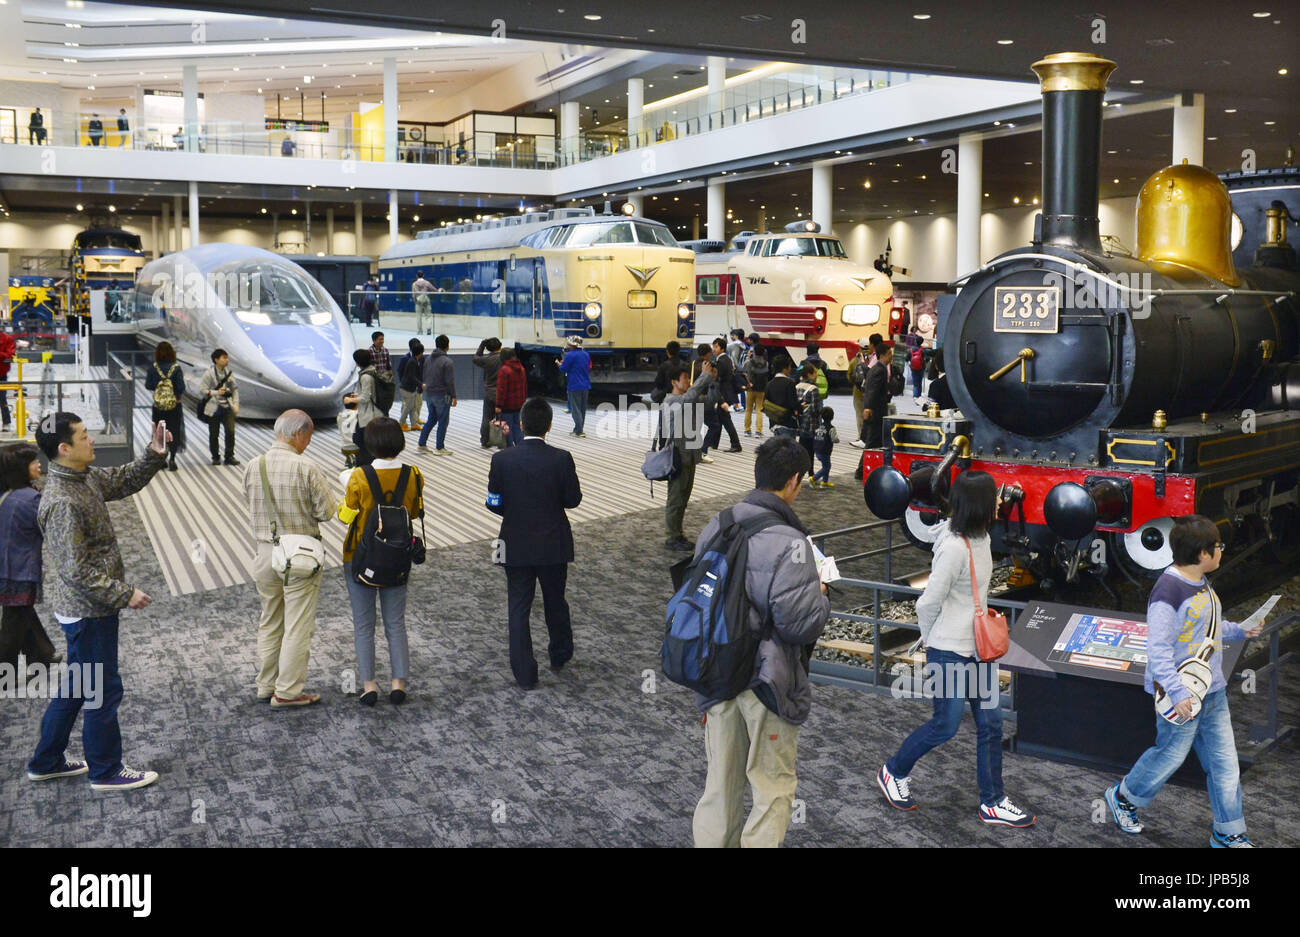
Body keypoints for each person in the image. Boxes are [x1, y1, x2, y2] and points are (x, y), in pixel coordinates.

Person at [692, 435, 831, 848]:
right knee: (771, 787)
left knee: (720, 785)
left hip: (716, 673)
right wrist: (821, 598)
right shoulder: (791, 543)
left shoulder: (717, 523)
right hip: (766, 681)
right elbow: (797, 625)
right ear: (793, 482)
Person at [877, 470, 1035, 828]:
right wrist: (933, 639)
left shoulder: (979, 535)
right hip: (949, 650)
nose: (999, 502)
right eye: (994, 497)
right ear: (979, 505)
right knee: (944, 726)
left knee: (991, 724)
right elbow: (926, 603)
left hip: (977, 649)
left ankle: (992, 801)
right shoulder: (952, 547)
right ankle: (893, 771)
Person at [26, 413, 170, 791]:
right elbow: (78, 571)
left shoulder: (82, 477)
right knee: (102, 689)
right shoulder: (62, 501)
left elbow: (121, 480)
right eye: (85, 436)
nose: (92, 441)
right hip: (87, 610)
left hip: (87, 606)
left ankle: (47, 760)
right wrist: (125, 594)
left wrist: (154, 455)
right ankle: (105, 770)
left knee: (78, 685)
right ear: (64, 448)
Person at [1104, 515, 1265, 848]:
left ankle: (1228, 831)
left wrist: (1239, 630)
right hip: (1181, 695)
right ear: (1202, 554)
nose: (1221, 550)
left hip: (1212, 690)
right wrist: (1178, 694)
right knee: (1169, 756)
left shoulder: (1200, 581)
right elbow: (1159, 652)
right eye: (1217, 546)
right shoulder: (1167, 592)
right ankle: (1123, 798)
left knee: (1225, 763)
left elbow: (1206, 627)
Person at [243, 410, 338, 708]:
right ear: (298, 434)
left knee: (270, 621)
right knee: (298, 624)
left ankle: (265, 684)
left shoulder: (252, 466)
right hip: (299, 555)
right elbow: (327, 512)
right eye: (308, 438)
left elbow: (248, 501)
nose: (307, 444)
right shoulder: (307, 467)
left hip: (264, 552)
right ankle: (287, 691)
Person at [486, 397, 583, 689]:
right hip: (554, 543)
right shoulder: (561, 457)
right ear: (549, 426)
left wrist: (514, 510)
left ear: (521, 423)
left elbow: (493, 503)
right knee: (556, 600)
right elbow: (573, 500)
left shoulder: (501, 459)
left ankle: (524, 673)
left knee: (518, 605)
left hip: (514, 542)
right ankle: (560, 653)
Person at [337, 417, 424, 707]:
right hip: (398, 556)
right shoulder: (414, 474)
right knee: (395, 623)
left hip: (360, 558)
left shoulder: (358, 477)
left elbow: (345, 516)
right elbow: (413, 512)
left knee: (364, 625)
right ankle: (399, 683)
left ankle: (369, 685)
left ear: (369, 444)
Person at [0, 443, 59, 669]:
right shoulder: (30, 499)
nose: (38, 465)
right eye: (33, 462)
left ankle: (41, 653)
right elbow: (52, 529)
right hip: (19, 569)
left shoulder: (8, 493)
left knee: (20, 611)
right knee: (13, 623)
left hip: (7, 566)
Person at [661, 358, 716, 551]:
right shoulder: (672, 401)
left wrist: (711, 382)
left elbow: (707, 401)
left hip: (690, 456)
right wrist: (704, 377)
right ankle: (671, 536)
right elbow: (690, 397)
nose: (688, 382)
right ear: (674, 382)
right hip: (676, 457)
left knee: (683, 498)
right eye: (685, 378)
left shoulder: (687, 399)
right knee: (676, 498)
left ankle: (678, 533)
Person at [143, 341, 186, 471]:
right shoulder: (176, 368)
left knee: (159, 431)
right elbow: (181, 387)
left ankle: (162, 460)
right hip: (174, 406)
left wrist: (159, 388)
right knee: (174, 430)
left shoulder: (153, 367)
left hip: (158, 406)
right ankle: (172, 458)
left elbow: (148, 385)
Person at [199, 348, 239, 466]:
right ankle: (215, 457)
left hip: (227, 407)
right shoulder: (209, 373)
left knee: (230, 432)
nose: (227, 360)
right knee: (214, 433)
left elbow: (235, 390)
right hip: (214, 408)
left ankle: (229, 456)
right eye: (224, 358)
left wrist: (236, 403)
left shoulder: (229, 374)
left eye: (227, 358)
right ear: (216, 360)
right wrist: (217, 392)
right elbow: (202, 390)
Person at [417, 334, 457, 454]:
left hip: (429, 394)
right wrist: (454, 396)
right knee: (443, 421)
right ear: (447, 346)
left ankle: (421, 444)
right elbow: (449, 381)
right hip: (442, 394)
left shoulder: (428, 359)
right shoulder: (447, 362)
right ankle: (439, 447)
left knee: (432, 419)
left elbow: (424, 376)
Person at [343, 349, 381, 467]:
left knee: (360, 439)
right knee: (366, 438)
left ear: (358, 362)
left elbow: (365, 397)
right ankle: (368, 461)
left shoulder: (366, 376)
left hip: (368, 413)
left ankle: (364, 463)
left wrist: (351, 400)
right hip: (373, 411)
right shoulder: (372, 371)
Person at [706, 337, 742, 454]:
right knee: (720, 419)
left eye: (716, 346)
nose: (713, 349)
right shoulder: (727, 359)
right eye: (713, 346)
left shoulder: (721, 361)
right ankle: (714, 443)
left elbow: (717, 379)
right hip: (727, 392)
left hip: (723, 393)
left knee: (725, 420)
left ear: (722, 348)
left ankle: (736, 444)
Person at [859, 344, 894, 450]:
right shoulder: (880, 370)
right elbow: (872, 390)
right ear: (882, 355)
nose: (891, 357)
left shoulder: (875, 368)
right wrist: (868, 407)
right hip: (876, 411)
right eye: (889, 354)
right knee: (873, 441)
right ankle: (862, 466)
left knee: (875, 441)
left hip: (875, 410)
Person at [493, 347, 528, 447]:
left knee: (506, 427)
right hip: (518, 403)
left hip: (507, 404)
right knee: (517, 426)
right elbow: (524, 386)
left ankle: (509, 447)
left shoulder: (504, 370)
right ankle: (520, 446)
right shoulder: (521, 368)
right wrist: (523, 400)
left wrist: (499, 405)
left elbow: (501, 390)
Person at [558, 337, 592, 437]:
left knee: (575, 408)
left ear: (572, 345)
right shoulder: (586, 354)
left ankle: (579, 431)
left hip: (574, 384)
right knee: (582, 408)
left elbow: (563, 369)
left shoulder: (570, 355)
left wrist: (559, 364)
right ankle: (578, 428)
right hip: (585, 384)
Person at [472, 337, 502, 448]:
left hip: (489, 392)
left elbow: (475, 358)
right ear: (500, 346)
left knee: (486, 418)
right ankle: (502, 441)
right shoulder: (505, 359)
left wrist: (482, 345)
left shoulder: (487, 360)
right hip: (502, 393)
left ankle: (485, 441)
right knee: (502, 418)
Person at [763, 356, 799, 439]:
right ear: (784, 368)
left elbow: (765, 403)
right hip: (787, 423)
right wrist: (800, 407)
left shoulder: (769, 384)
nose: (790, 369)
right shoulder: (790, 383)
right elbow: (793, 403)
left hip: (774, 423)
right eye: (789, 366)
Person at [794, 362, 821, 469]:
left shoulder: (796, 386)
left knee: (801, 446)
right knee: (810, 450)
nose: (816, 375)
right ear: (809, 374)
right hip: (810, 424)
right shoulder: (813, 389)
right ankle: (810, 471)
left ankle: (798, 469)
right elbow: (815, 409)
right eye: (815, 373)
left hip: (799, 422)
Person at [395, 339, 425, 431]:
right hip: (407, 388)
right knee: (408, 407)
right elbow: (411, 376)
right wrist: (421, 384)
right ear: (420, 352)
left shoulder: (414, 360)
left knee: (413, 406)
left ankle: (414, 423)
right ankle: (401, 423)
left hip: (410, 387)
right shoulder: (412, 361)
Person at [742, 343, 769, 437]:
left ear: (755, 352)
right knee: (759, 410)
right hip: (761, 389)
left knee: (748, 409)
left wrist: (748, 383)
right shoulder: (766, 363)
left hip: (750, 388)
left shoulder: (749, 362)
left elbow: (744, 373)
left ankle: (747, 430)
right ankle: (758, 431)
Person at [849, 337, 872, 441]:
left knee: (860, 415)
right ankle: (870, 436)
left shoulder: (855, 361)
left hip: (858, 393)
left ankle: (861, 437)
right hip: (871, 393)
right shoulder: (874, 358)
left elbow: (849, 375)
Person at [810, 406, 839, 489]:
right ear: (832, 417)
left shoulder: (818, 426)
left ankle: (824, 482)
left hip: (817, 449)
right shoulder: (831, 428)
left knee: (825, 465)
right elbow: (834, 439)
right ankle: (813, 478)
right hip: (825, 450)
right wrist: (837, 440)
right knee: (827, 467)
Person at [368, 331, 395, 417]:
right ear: (374, 340)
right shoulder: (369, 351)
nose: (382, 341)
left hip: (385, 380)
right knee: (377, 399)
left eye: (383, 339)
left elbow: (388, 365)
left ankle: (385, 416)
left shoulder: (385, 350)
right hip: (375, 379)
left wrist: (391, 378)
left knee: (386, 399)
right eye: (380, 339)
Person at [905, 324, 926, 400]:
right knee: (919, 382)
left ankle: (915, 396)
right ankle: (919, 396)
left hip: (913, 367)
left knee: (915, 383)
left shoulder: (911, 349)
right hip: (921, 368)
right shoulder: (922, 350)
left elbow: (906, 358)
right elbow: (925, 358)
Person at [0, 329, 14, 434]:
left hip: (1, 374)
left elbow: (10, 355)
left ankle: (6, 423)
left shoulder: (7, 339)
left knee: (2, 399)